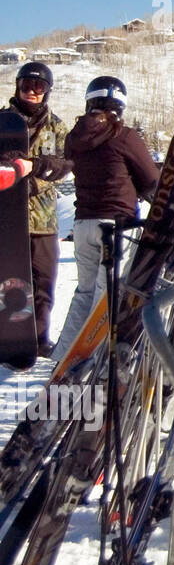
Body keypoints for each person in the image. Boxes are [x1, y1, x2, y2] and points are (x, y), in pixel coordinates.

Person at [52, 76, 158, 362]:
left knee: (84, 292)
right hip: (116, 226)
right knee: (106, 298)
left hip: (83, 224)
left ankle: (63, 356)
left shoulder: (74, 137)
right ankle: (95, 360)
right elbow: (151, 180)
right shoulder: (124, 135)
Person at [6, 62, 71, 363]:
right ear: (17, 86)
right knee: (8, 280)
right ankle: (7, 335)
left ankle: (39, 337)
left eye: (39, 86)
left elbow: (67, 165)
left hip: (43, 219)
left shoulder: (57, 127)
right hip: (7, 217)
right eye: (27, 85)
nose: (32, 91)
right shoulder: (3, 122)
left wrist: (35, 167)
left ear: (47, 91)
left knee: (43, 279)